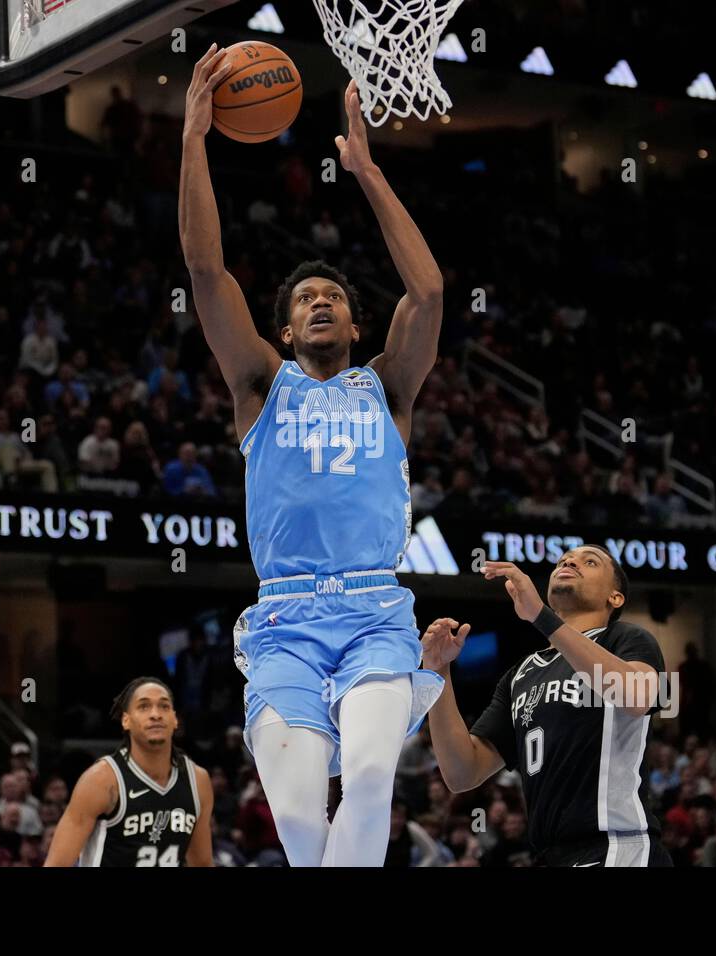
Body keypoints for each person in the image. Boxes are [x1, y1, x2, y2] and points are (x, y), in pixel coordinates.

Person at [180, 48, 445, 867]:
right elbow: (203, 267)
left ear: (356, 327)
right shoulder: (261, 385)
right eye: (304, 299)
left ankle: (410, 685)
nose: (321, 298)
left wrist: (364, 169)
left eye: (333, 295)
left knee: (368, 776)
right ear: (286, 332)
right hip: (287, 619)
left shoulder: (389, 388)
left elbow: (430, 293)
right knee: (297, 819)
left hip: (372, 610)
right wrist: (194, 135)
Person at [421, 546, 672, 866]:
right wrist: (438, 672)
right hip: (549, 854)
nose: (570, 561)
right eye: (564, 559)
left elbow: (638, 698)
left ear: (615, 597)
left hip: (616, 846)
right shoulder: (521, 674)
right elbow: (461, 773)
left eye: (589, 562)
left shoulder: (628, 639)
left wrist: (541, 616)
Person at [45, 678, 213, 867]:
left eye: (164, 706)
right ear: (126, 720)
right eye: (144, 707)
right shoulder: (101, 780)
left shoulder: (197, 781)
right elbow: (56, 863)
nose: (156, 714)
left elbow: (202, 862)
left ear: (175, 720)